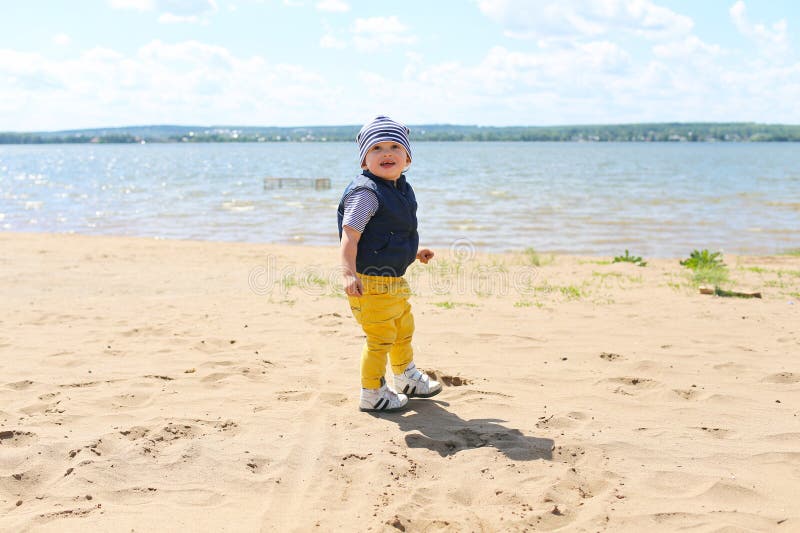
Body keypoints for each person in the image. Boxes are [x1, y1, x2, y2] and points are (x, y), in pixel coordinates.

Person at [337, 115, 442, 412]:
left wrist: (413, 251)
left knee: (403, 328)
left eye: (395, 146)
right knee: (381, 337)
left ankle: (405, 376)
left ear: (407, 158)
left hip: (393, 279)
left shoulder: (399, 189)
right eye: (376, 148)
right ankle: (372, 391)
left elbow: (388, 234)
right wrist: (348, 273)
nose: (386, 153)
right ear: (364, 160)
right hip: (369, 281)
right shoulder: (367, 194)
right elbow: (350, 237)